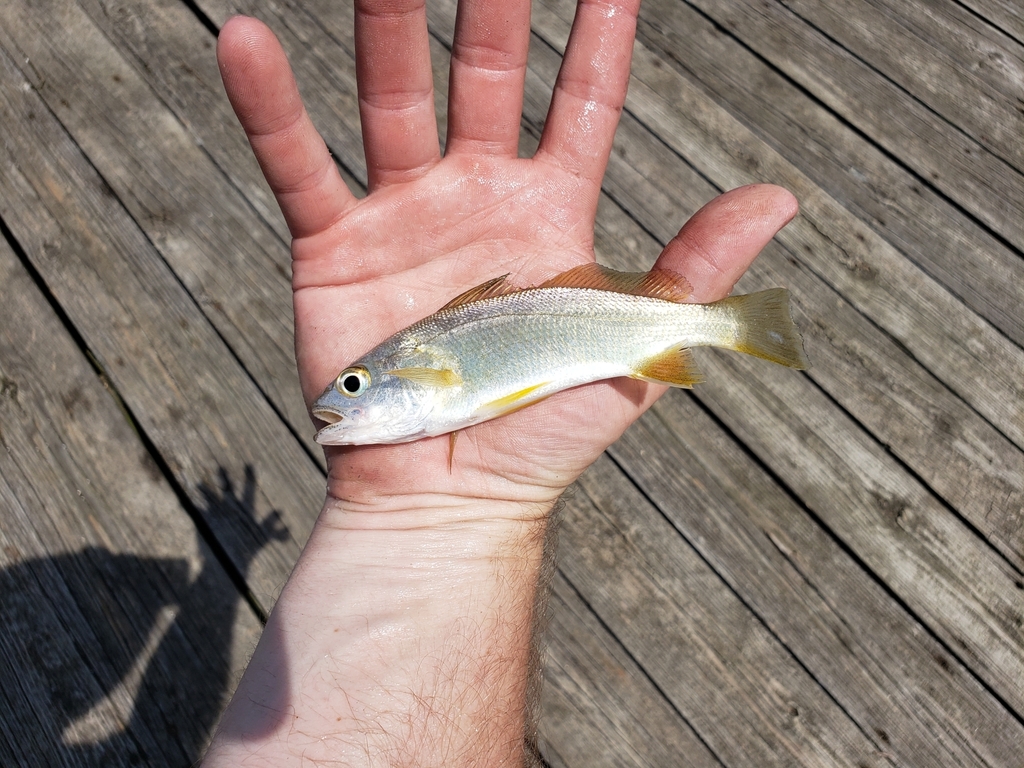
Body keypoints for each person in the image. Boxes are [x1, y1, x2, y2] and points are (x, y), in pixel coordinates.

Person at [204, 1, 797, 765]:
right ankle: (729, 323)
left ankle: (733, 323)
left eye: (354, 385)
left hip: (621, 327)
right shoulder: (425, 374)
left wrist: (711, 320)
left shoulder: (432, 362)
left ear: (400, 370)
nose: (334, 397)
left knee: (698, 321)